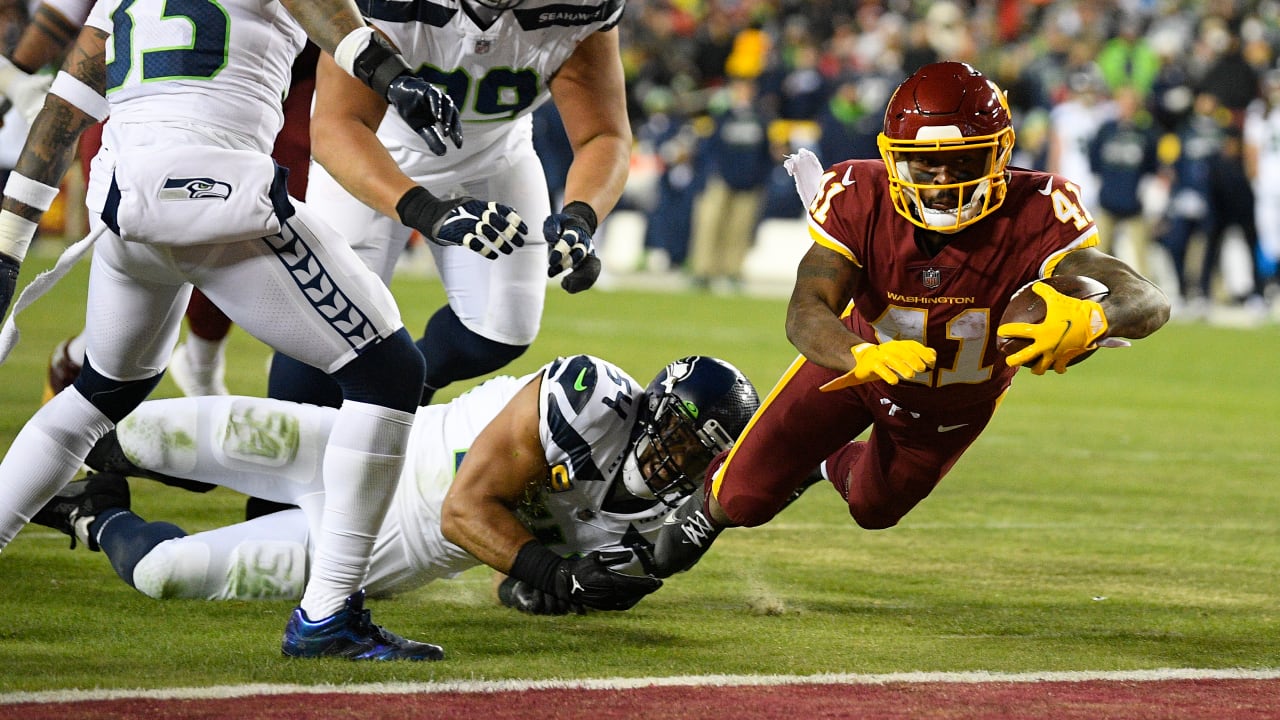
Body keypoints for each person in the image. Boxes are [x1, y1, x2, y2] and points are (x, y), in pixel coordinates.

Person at [0, 0, 526, 661]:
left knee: (98, 394)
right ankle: (328, 614)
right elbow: (318, 8)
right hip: (215, 191)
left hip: (125, 198)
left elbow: (62, 112)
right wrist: (392, 77)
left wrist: (7, 249)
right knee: (390, 372)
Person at [649, 61, 1171, 578]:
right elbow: (806, 310)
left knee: (873, 510)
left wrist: (1096, 318)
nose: (943, 180)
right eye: (924, 163)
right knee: (739, 499)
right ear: (893, 158)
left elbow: (1148, 299)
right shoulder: (859, 193)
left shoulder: (1038, 208)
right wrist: (862, 355)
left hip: (951, 405)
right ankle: (655, 541)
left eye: (963, 161)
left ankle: (825, 463)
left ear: (1000, 152)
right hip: (855, 365)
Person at [31, 355, 760, 615]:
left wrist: (558, 592)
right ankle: (40, 471)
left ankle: (95, 515)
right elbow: (465, 508)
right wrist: (558, 577)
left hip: (384, 552)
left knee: (166, 573)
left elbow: (516, 582)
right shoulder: (590, 395)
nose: (676, 461)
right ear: (653, 407)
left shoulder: (658, 519)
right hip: (373, 449)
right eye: (677, 433)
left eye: (699, 455)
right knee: (144, 434)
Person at [269, 0, 633, 408]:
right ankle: (291, 438)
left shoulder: (581, 7)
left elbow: (604, 134)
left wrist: (582, 215)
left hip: (494, 154)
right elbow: (338, 126)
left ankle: (399, 400)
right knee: (326, 325)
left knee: (500, 329)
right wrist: (425, 211)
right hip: (376, 149)